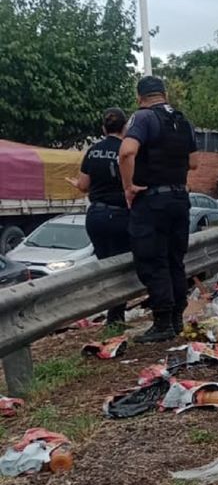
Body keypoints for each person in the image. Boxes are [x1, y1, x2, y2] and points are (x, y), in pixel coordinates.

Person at [119, 76, 198, 343]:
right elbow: (194, 163)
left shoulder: (142, 118)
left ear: (139, 97)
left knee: (153, 261)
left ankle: (163, 322)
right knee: (175, 260)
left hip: (152, 201)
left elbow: (126, 152)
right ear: (165, 94)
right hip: (179, 199)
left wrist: (129, 187)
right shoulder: (183, 121)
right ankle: (176, 319)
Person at [68, 107, 130, 326]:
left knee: (105, 265)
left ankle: (113, 315)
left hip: (96, 216)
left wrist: (77, 184)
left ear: (104, 128)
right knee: (122, 267)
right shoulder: (127, 150)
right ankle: (116, 318)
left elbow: (84, 185)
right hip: (121, 215)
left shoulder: (93, 151)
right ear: (125, 127)